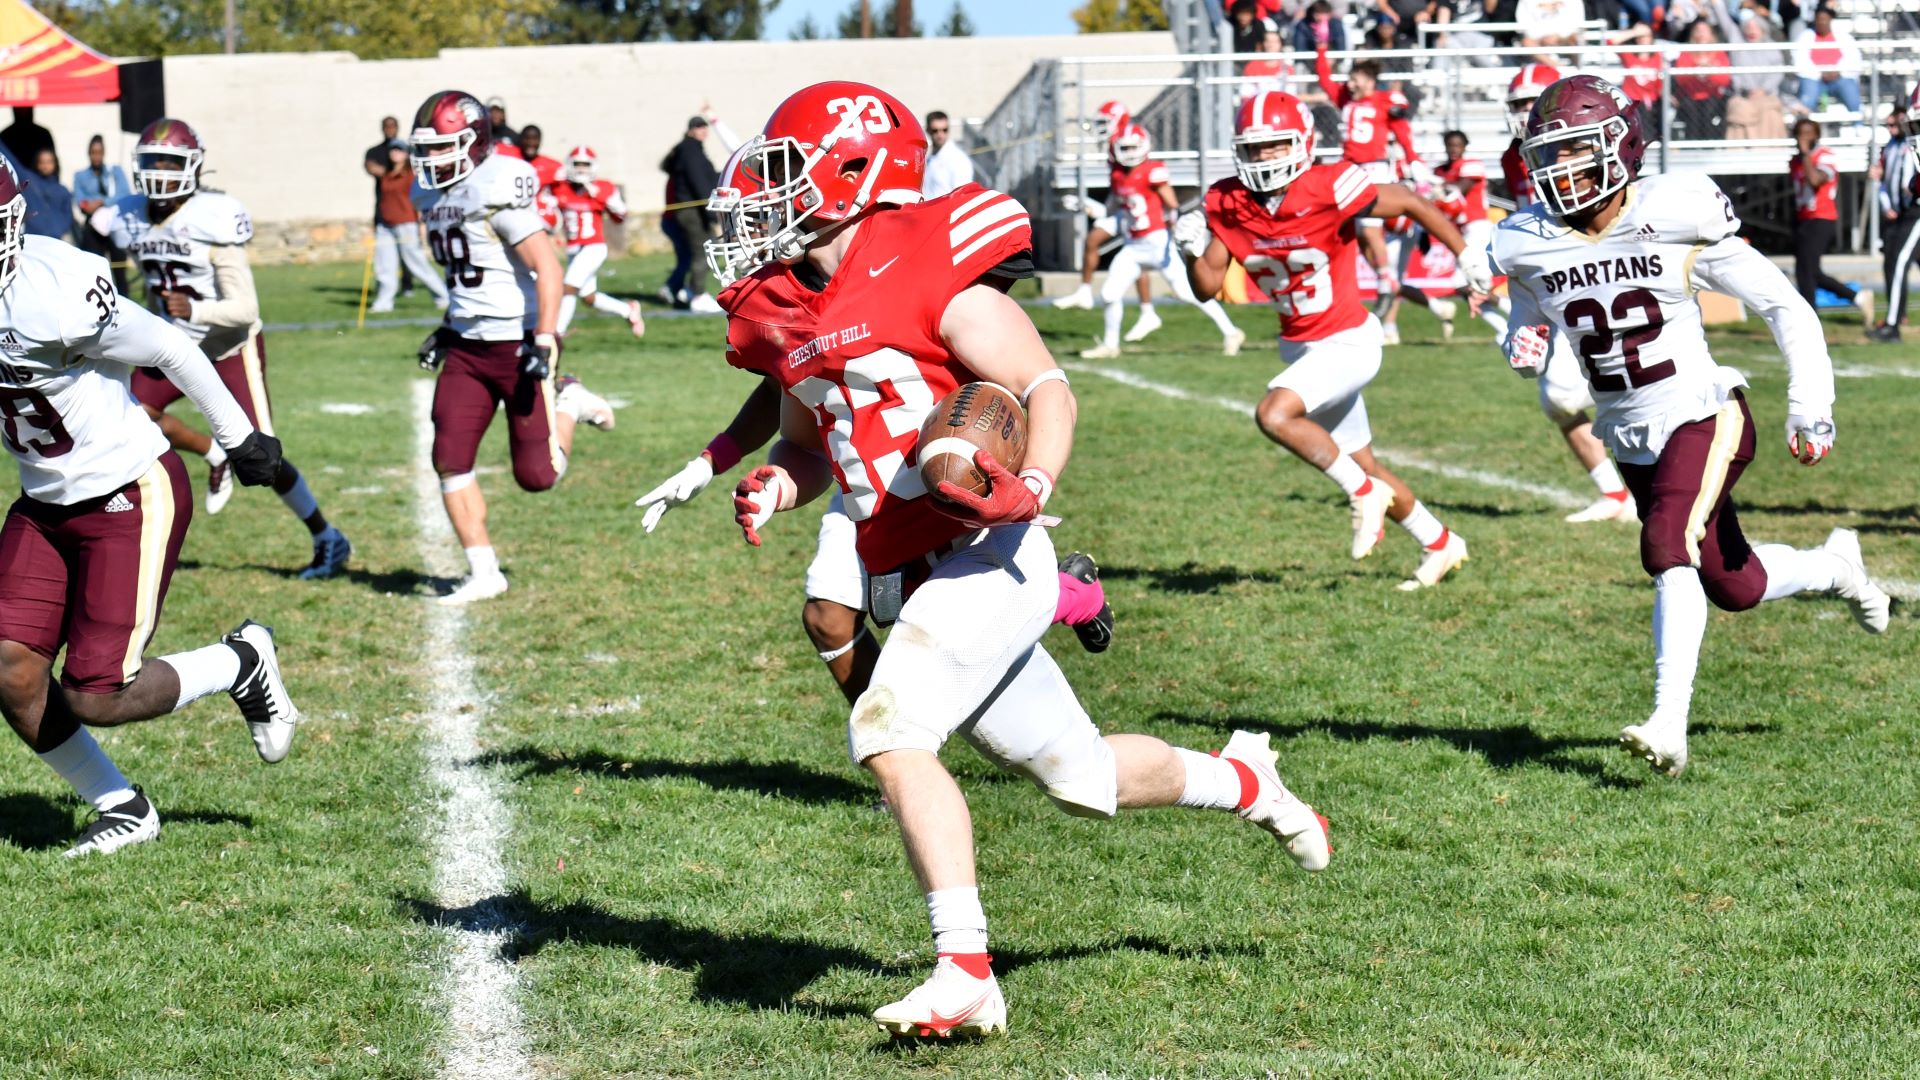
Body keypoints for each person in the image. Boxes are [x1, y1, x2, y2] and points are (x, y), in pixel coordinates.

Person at [722, 80, 1328, 1039]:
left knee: (888, 726)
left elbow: (1046, 390)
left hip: (992, 552)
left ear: (855, 174)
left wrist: (1032, 488)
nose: (761, 194)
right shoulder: (787, 310)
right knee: (1083, 779)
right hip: (907, 568)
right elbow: (806, 444)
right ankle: (1250, 781)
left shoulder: (930, 272)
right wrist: (773, 485)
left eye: (782, 173)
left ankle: (965, 968)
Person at [1494, 74, 1889, 777]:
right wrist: (1522, 342)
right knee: (1734, 584)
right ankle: (1838, 568)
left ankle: (1668, 721)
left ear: (1620, 147)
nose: (1561, 171)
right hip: (1629, 431)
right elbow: (1530, 315)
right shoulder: (1526, 241)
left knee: (1666, 539)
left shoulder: (1675, 211)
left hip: (1704, 411)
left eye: (1576, 153)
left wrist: (1810, 405)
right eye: (1548, 157)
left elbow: (1785, 306)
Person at [635, 151, 1115, 705]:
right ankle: (898, 754)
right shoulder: (784, 297)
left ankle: (1059, 600)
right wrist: (716, 461)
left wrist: (1032, 482)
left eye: (772, 197)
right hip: (860, 477)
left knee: (959, 633)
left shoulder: (916, 263)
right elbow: (790, 389)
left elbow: (1045, 384)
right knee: (843, 619)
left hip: (939, 466)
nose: (756, 221)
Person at [0, 155, 301, 857]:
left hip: (128, 490)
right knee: (9, 668)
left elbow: (166, 345)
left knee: (95, 694)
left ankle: (239, 663)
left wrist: (238, 436)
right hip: (44, 500)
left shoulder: (54, 289)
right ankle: (122, 808)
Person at [1179, 90, 1483, 590]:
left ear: (1302, 142)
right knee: (1362, 458)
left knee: (1274, 414)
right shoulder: (1228, 200)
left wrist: (1466, 255)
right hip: (1298, 345)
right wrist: (1190, 249)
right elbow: (1208, 288)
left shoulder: (1328, 183)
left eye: (1275, 146)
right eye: (1254, 149)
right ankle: (1441, 541)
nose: (1264, 158)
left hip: (1348, 339)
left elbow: (1407, 199)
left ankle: (1363, 493)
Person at [92, 118, 354, 580]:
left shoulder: (212, 217)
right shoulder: (127, 214)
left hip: (228, 346)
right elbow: (98, 232)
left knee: (261, 458)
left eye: (170, 162)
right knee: (120, 416)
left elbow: (245, 308)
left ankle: (326, 536)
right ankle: (211, 454)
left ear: (193, 168)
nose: (160, 173)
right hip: (169, 347)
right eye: (152, 162)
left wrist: (195, 310)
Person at [408, 90, 615, 605]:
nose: (431, 159)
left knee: (538, 476)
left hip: (520, 341)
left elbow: (548, 267)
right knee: (449, 456)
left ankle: (569, 401)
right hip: (467, 348)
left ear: (474, 143)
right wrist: (446, 324)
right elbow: (469, 274)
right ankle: (485, 573)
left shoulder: (495, 184)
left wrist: (544, 338)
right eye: (427, 149)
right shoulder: (430, 196)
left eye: (442, 147)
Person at [1497, 63, 1639, 524]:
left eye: (1529, 103)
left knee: (1617, 382)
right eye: (1517, 105)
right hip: (1549, 272)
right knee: (1556, 398)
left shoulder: (1586, 144)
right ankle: (1614, 492)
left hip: (1601, 266)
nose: (1523, 114)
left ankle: (1648, 483)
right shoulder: (1512, 157)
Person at [1078, 124, 1246, 358]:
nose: (1128, 152)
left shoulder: (1152, 171)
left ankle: (1231, 331)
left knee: (1188, 293)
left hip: (1158, 242)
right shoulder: (1118, 175)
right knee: (1109, 294)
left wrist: (1175, 223)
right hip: (1134, 246)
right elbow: (1111, 209)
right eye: (1124, 147)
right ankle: (1110, 344)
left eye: (1132, 146)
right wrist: (1089, 207)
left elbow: (1172, 204)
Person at [1315, 50, 1420, 343]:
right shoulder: (1345, 99)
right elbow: (1324, 78)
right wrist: (1321, 48)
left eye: (1356, 77)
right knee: (1359, 233)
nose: (1351, 83)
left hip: (1374, 168)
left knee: (1369, 228)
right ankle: (1387, 278)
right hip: (1351, 169)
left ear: (1370, 79)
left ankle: (1386, 279)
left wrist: (1412, 158)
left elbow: (1401, 124)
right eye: (1350, 77)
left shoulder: (1385, 99)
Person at [1051, 101, 1154, 314]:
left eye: (1105, 122)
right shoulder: (1113, 145)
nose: (1100, 127)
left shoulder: (1124, 144)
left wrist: (1096, 208)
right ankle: (1144, 311)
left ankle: (1145, 310)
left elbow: (1130, 185)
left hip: (1136, 212)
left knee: (1129, 257)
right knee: (1106, 246)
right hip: (1126, 208)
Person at [550, 145, 645, 337]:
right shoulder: (560, 188)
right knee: (588, 297)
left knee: (568, 287)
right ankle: (628, 310)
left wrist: (600, 196)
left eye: (585, 165)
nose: (581, 169)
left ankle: (556, 333)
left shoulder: (602, 187)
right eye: (577, 164)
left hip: (593, 247)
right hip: (573, 248)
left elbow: (620, 215)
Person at [1790, 118, 1872, 320]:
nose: (1804, 138)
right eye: (1800, 133)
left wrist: (1807, 154)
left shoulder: (1824, 156)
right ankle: (1857, 297)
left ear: (1816, 135)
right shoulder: (1795, 161)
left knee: (1807, 272)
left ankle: (1808, 318)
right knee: (1807, 271)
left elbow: (1816, 180)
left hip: (1822, 217)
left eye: (1808, 133)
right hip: (1803, 217)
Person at [366, 117, 447, 314]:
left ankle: (442, 296)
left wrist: (421, 222)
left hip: (406, 223)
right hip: (386, 224)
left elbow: (419, 200)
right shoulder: (386, 175)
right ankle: (384, 302)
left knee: (416, 263)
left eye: (399, 150)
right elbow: (370, 166)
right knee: (385, 266)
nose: (396, 153)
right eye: (393, 150)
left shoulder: (411, 175)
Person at [1867, 98, 1919, 343]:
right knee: (1892, 262)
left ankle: (1892, 324)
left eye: (1894, 124)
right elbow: (1884, 182)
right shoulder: (1891, 147)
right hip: (1899, 213)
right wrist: (1887, 205)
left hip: (1915, 211)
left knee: (1899, 262)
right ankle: (1896, 316)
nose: (1891, 129)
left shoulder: (1912, 145)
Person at [661, 115, 722, 313]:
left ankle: (684, 291)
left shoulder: (691, 149)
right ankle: (697, 295)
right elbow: (699, 182)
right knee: (705, 249)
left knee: (697, 252)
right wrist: (712, 211)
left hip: (690, 210)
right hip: (692, 211)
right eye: (698, 127)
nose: (702, 130)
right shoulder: (691, 151)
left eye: (704, 127)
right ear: (690, 130)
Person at [71, 136, 130, 289]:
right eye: (93, 152)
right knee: (94, 269)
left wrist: (101, 202)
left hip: (114, 224)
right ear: (88, 153)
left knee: (119, 270)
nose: (96, 156)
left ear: (104, 153)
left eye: (99, 152)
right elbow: (81, 201)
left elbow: (124, 194)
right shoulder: (80, 176)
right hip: (93, 227)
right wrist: (90, 205)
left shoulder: (114, 172)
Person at [1792, 7, 1862, 115]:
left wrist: (1838, 72)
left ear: (1831, 20)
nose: (1822, 22)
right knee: (1807, 100)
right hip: (1814, 78)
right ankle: (1805, 124)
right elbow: (1799, 61)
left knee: (1852, 96)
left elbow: (1854, 59)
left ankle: (1858, 126)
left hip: (1839, 77)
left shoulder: (1844, 37)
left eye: (1825, 19)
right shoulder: (1805, 37)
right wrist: (1820, 73)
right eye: (1819, 19)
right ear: (1815, 20)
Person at [1673, 20, 1733, 140]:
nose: (1701, 33)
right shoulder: (1686, 53)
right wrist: (1697, 69)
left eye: (1704, 30)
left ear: (1711, 34)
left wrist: (1710, 71)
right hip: (1689, 97)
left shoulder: (1719, 53)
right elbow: (1680, 78)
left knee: (1708, 110)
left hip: (1713, 97)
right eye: (1697, 30)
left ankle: (1708, 148)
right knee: (1692, 112)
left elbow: (1724, 79)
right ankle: (1692, 149)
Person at [921, 111, 974, 198]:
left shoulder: (959, 159)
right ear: (928, 130)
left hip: (946, 210)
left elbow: (962, 196)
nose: (940, 134)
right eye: (935, 131)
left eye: (944, 130)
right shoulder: (930, 159)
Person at [22, 148, 71, 240]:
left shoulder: (62, 190)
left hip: (55, 239)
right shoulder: (30, 185)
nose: (45, 165)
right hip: (33, 238)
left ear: (55, 164)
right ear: (37, 164)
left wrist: (58, 229)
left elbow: (68, 215)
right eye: (42, 162)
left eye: (49, 162)